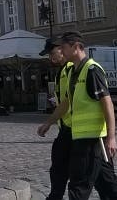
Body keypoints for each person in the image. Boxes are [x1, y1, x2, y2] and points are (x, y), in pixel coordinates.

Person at [50, 31, 117, 200]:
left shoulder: (91, 70)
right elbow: (67, 102)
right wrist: (49, 122)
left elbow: (107, 103)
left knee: (78, 186)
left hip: (91, 139)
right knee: (107, 183)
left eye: (64, 47)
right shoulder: (74, 72)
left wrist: (111, 137)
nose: (62, 51)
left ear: (76, 47)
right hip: (81, 138)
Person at [37, 39, 74, 200]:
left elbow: (67, 102)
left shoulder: (71, 69)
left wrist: (48, 122)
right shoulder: (62, 71)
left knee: (92, 177)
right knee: (58, 167)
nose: (50, 58)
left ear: (62, 50)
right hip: (66, 127)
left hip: (75, 129)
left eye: (52, 53)